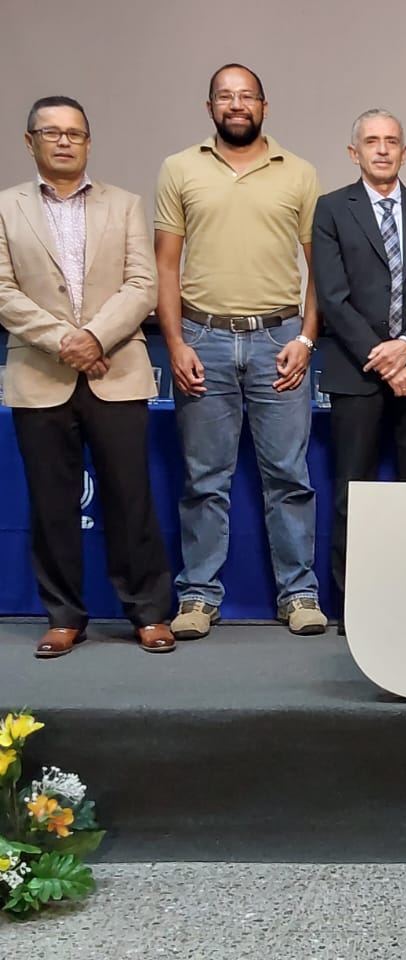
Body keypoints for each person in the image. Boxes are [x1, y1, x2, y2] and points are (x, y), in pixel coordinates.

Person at [155, 63, 326, 639]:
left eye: (246, 96)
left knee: (289, 477)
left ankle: (299, 594)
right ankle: (198, 597)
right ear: (210, 109)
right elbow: (166, 265)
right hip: (202, 339)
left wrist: (305, 338)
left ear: (264, 107)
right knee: (205, 480)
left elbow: (318, 270)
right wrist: (174, 342)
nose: (236, 105)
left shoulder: (299, 173)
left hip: (279, 342)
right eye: (224, 97)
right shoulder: (179, 169)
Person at [0, 96, 173, 657]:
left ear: (89, 141)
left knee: (131, 499)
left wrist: (94, 338)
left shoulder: (124, 204)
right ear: (30, 142)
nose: (65, 141)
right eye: (51, 132)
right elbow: (3, 291)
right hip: (38, 376)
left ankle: (148, 613)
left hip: (116, 371)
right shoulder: (5, 209)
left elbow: (142, 284)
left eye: (75, 132)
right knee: (52, 504)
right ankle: (63, 616)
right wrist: (65, 342)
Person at [312, 109, 406, 633]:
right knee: (354, 494)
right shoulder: (331, 209)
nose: (381, 149)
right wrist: (388, 359)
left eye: (391, 141)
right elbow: (332, 297)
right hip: (358, 373)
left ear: (404, 152)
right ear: (354, 153)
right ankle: (357, 609)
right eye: (371, 141)